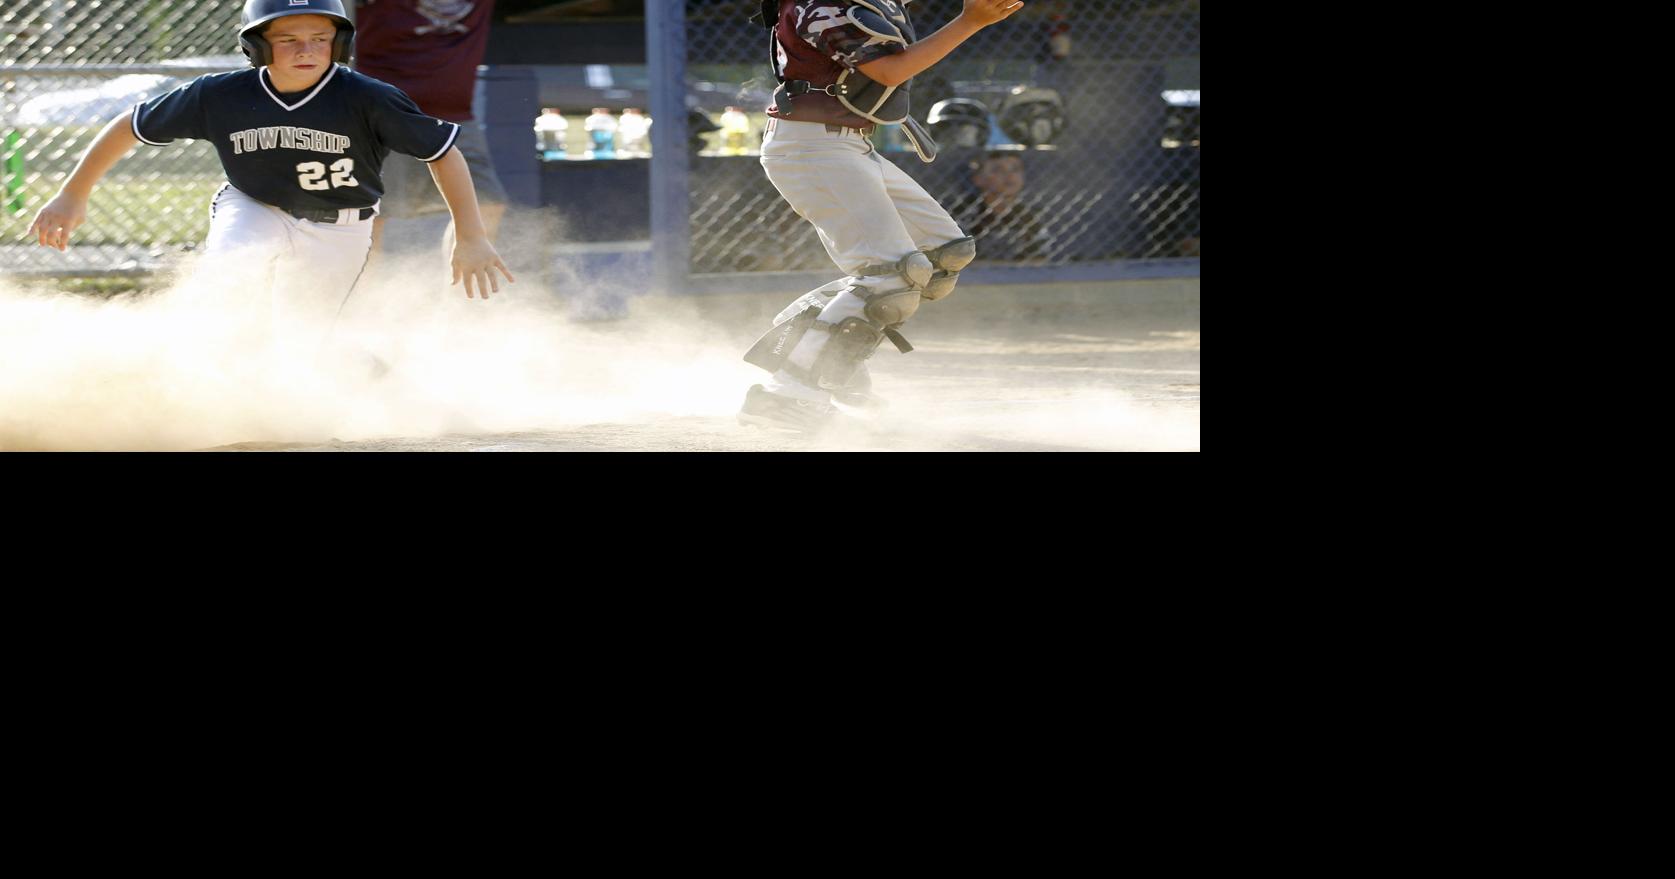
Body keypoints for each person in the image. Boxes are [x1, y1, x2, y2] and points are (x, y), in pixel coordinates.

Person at [26, 0, 512, 340]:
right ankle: (184, 369)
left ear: (339, 45)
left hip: (340, 227)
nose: (306, 50)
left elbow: (443, 152)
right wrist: (73, 194)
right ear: (257, 47)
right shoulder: (220, 94)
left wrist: (470, 234)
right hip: (254, 203)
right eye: (289, 40)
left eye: (321, 39)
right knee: (230, 276)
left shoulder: (368, 98)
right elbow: (130, 125)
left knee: (303, 340)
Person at [738, 0, 1023, 431]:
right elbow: (889, 71)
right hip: (812, 147)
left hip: (849, 145)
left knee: (943, 253)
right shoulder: (819, 5)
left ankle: (816, 337)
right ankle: (788, 395)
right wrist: (971, 21)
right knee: (892, 276)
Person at [352, 0, 509, 256]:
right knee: (371, 217)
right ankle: (360, 294)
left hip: (456, 118)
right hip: (386, 114)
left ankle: (460, 292)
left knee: (487, 204)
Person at [948, 151, 1051, 261]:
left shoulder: (1031, 214)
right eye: (997, 170)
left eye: (1015, 169)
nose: (1009, 175)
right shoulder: (964, 214)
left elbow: (1040, 259)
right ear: (978, 179)